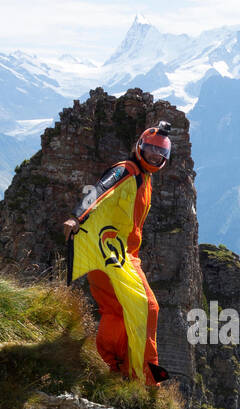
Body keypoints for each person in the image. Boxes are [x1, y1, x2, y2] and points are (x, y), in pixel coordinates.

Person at [63, 121, 171, 385]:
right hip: (113, 253)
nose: (155, 155)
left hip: (118, 253)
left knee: (118, 310)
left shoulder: (145, 178)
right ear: (140, 148)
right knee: (147, 306)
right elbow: (98, 191)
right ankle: (146, 377)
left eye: (161, 152)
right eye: (151, 149)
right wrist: (77, 217)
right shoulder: (127, 170)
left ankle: (116, 368)